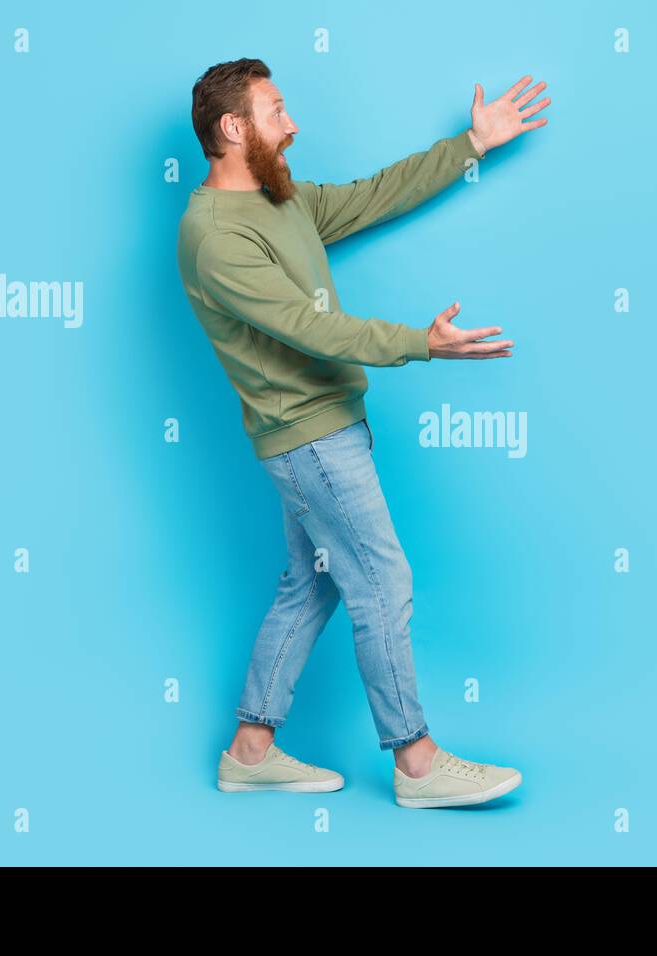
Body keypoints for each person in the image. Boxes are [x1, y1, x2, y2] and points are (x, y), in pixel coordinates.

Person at [175, 58, 550, 808]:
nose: (294, 125)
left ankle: (250, 750)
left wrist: (470, 146)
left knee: (311, 585)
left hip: (327, 428)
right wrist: (422, 342)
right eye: (277, 111)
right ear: (232, 128)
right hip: (308, 438)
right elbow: (311, 330)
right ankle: (417, 764)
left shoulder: (281, 201)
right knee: (382, 581)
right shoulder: (212, 237)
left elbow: (375, 196)